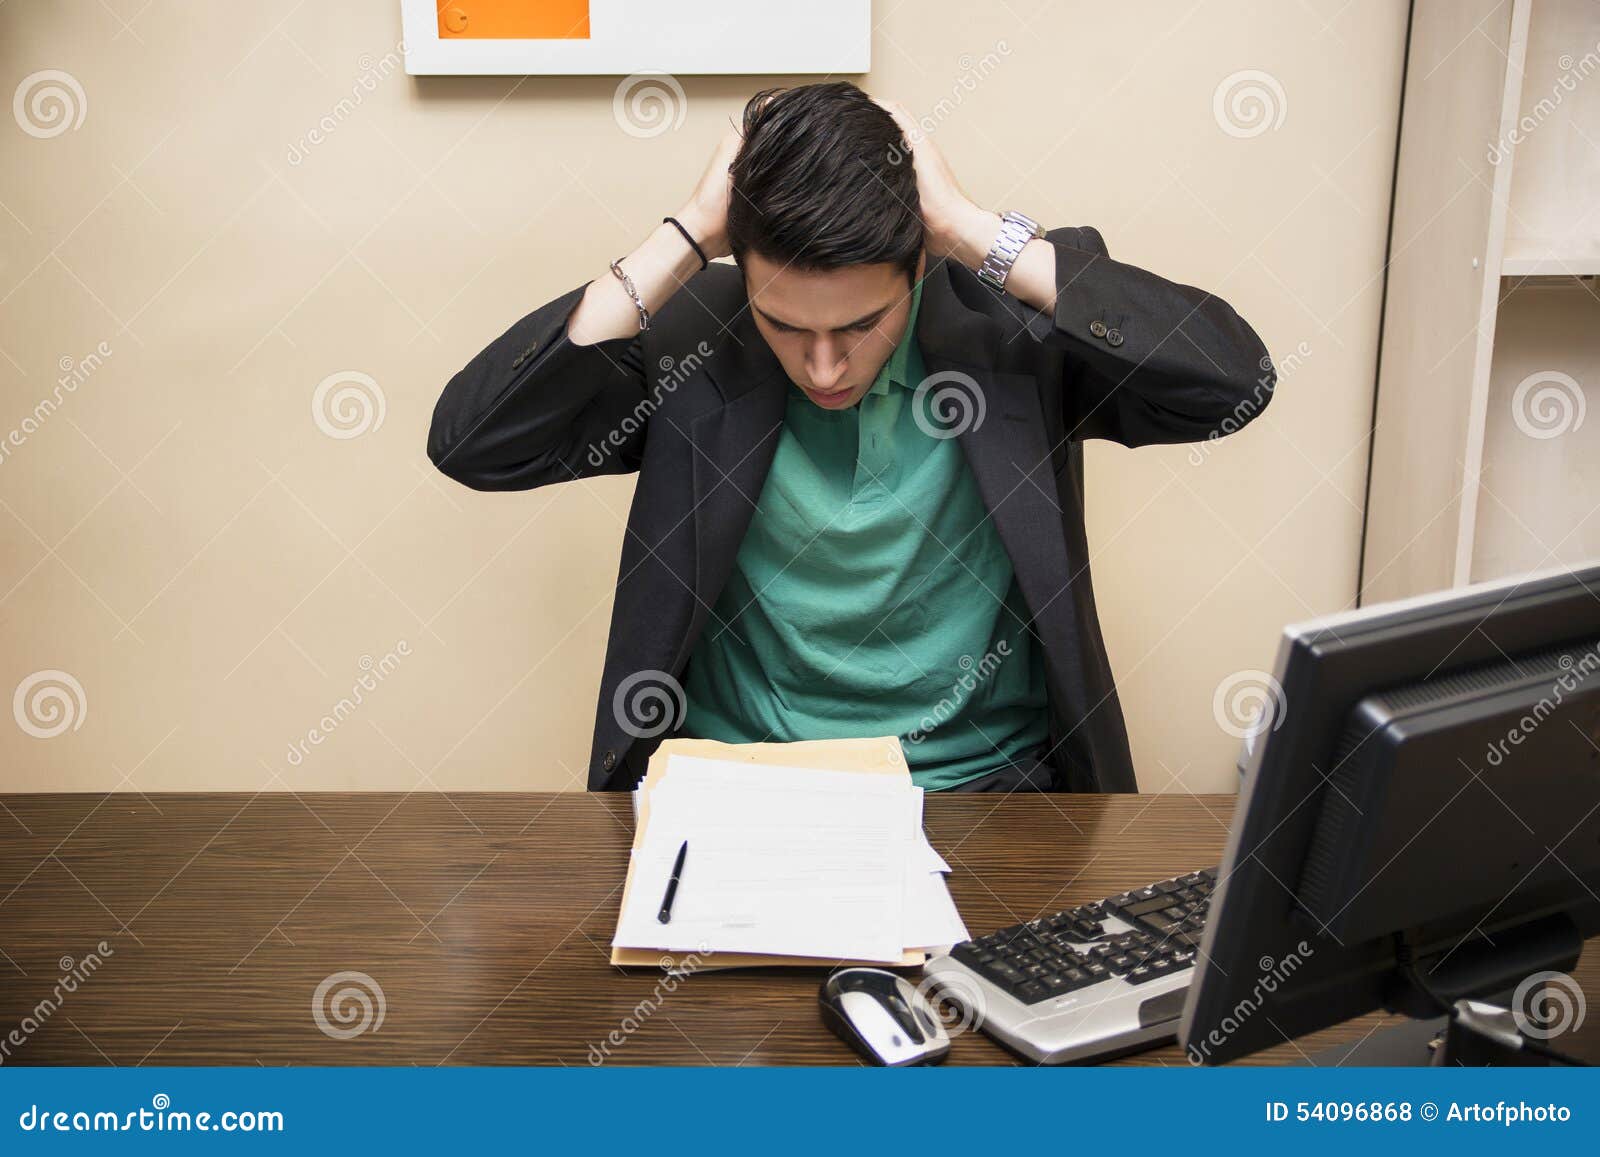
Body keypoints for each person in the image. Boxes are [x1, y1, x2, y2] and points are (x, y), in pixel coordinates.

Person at [427, 81, 1274, 793]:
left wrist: (972, 229)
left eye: (860, 327)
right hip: (738, 787)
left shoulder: (1007, 328)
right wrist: (685, 236)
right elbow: (477, 442)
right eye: (785, 324)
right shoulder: (694, 335)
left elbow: (1233, 382)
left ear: (918, 264)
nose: (824, 368)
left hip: (990, 793)